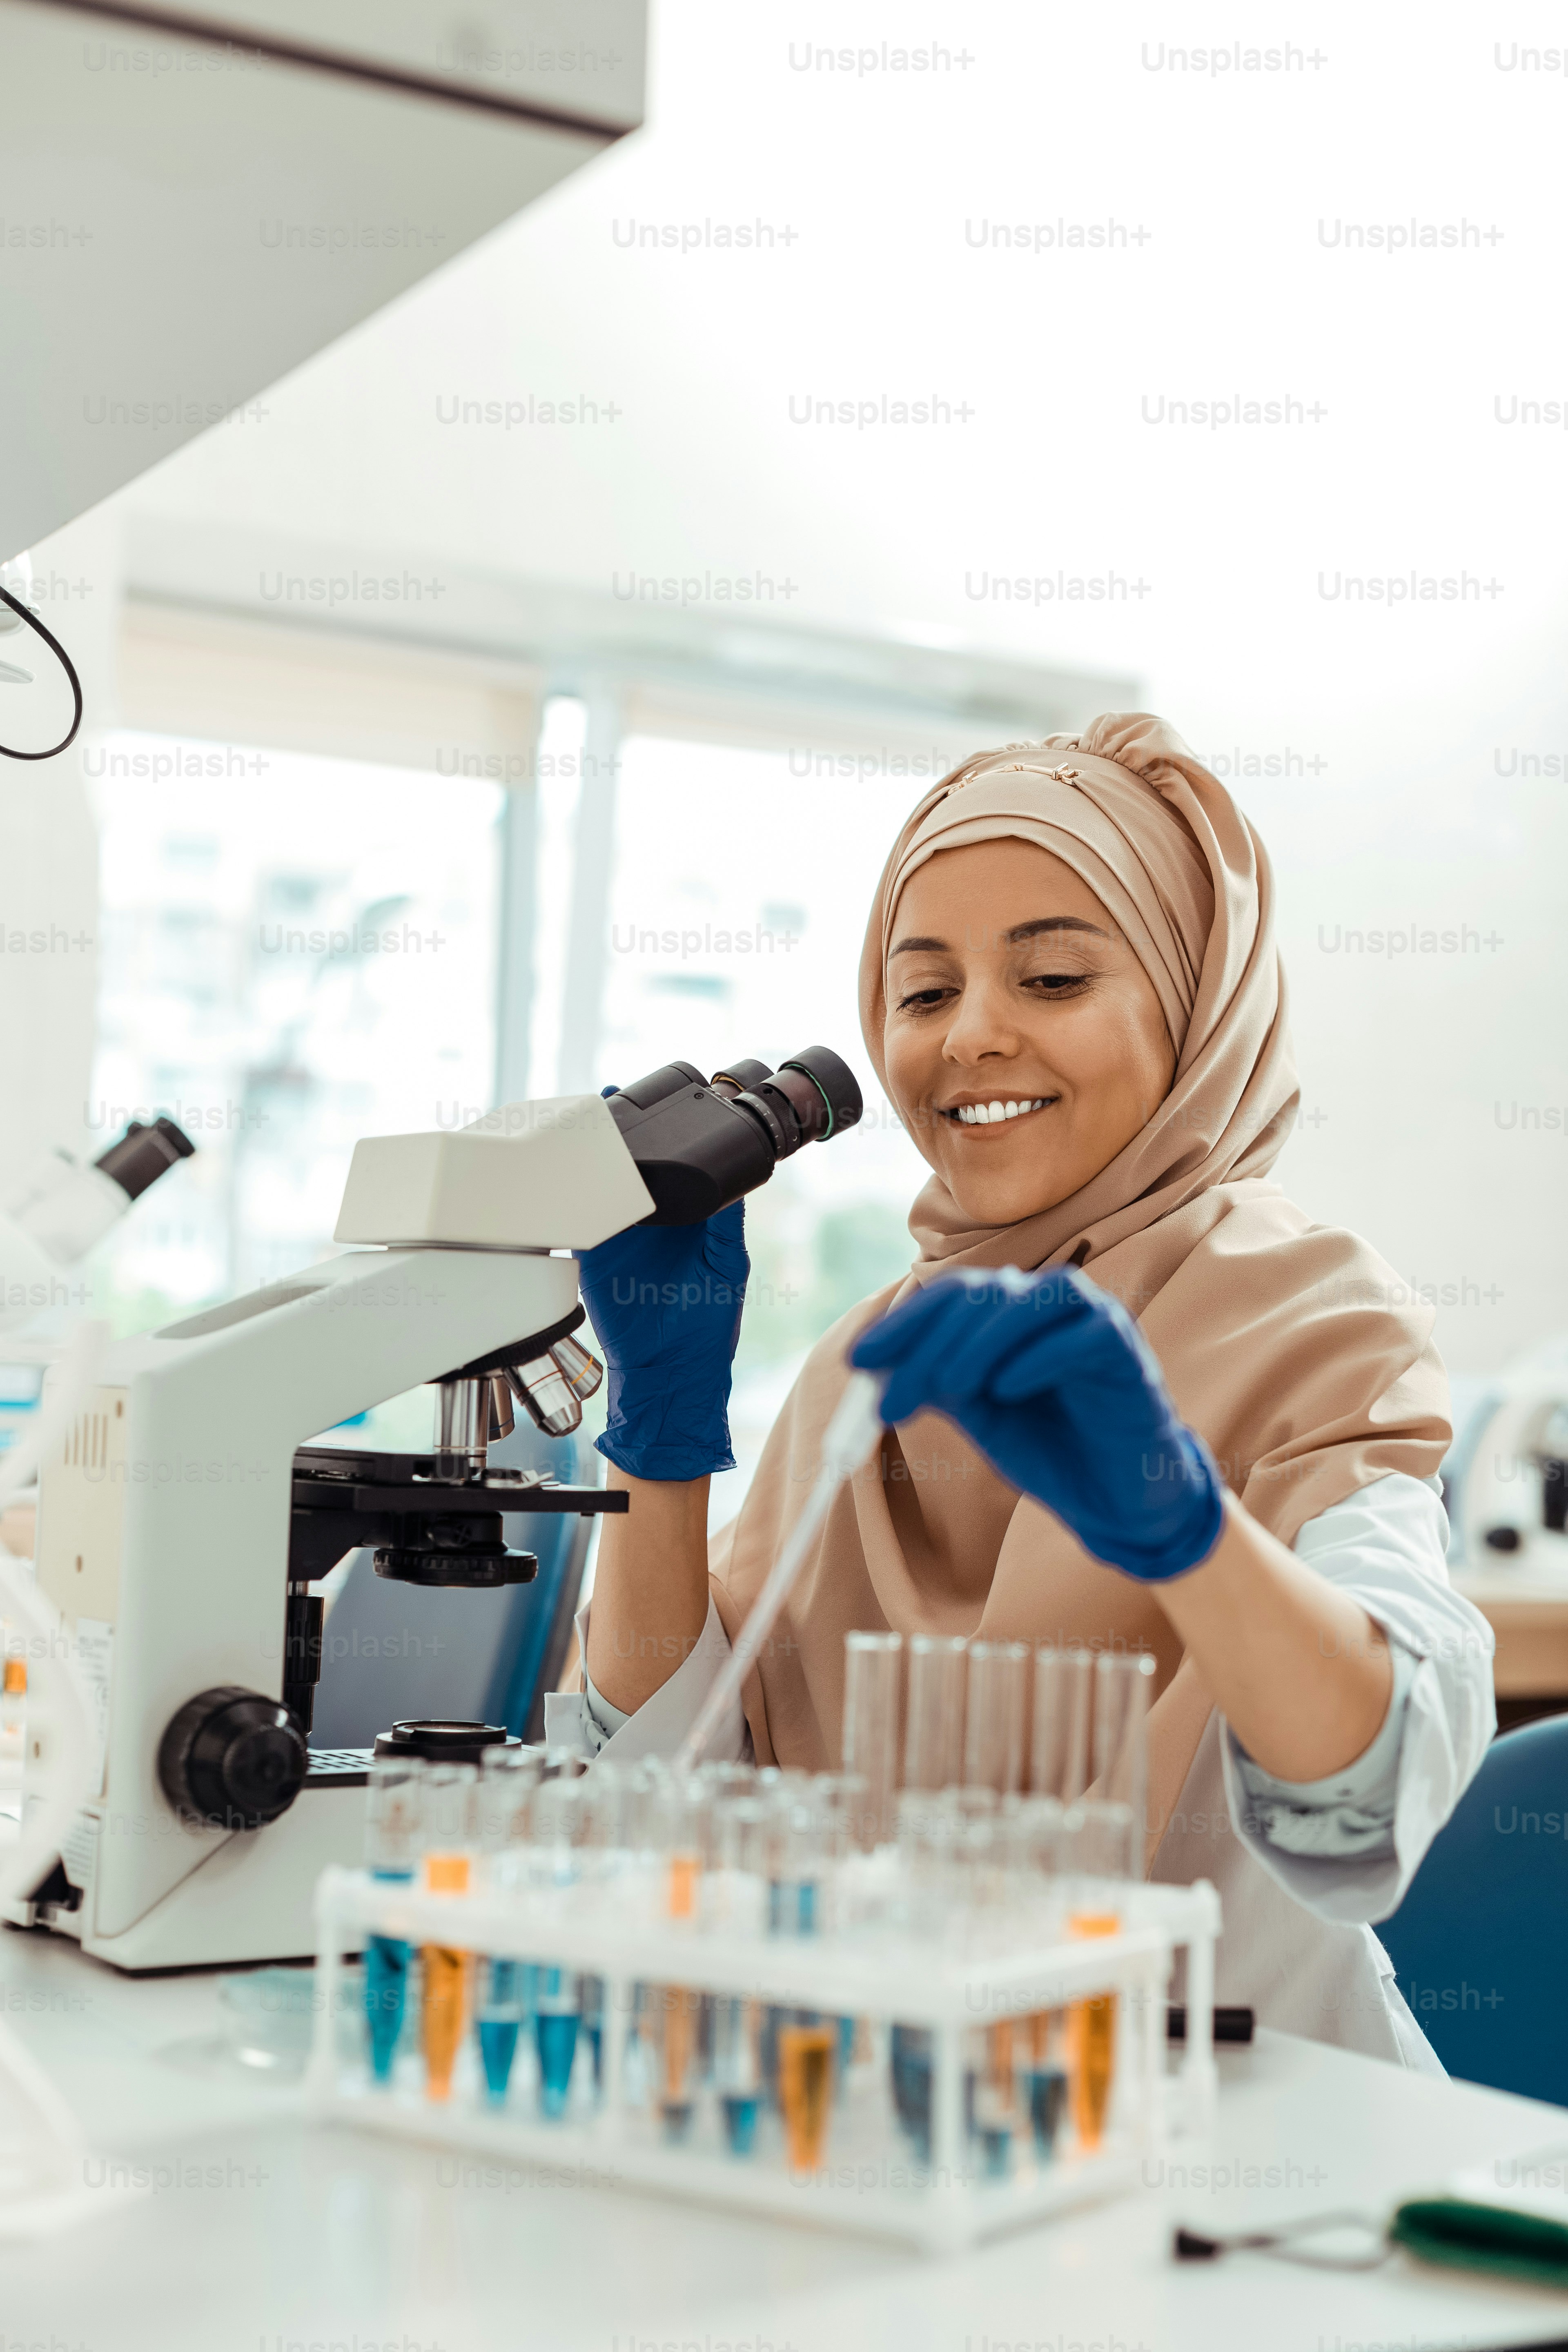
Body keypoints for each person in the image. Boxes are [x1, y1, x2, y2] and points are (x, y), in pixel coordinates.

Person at [546, 713, 1494, 2070]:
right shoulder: (873, 1365)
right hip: (897, 2117)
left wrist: (1185, 1531)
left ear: (1191, 1003)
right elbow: (663, 1809)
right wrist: (659, 1445)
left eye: (1052, 979)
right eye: (925, 993)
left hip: (1250, 2142)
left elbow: (1374, 1781)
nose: (971, 1037)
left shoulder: (1314, 1314)